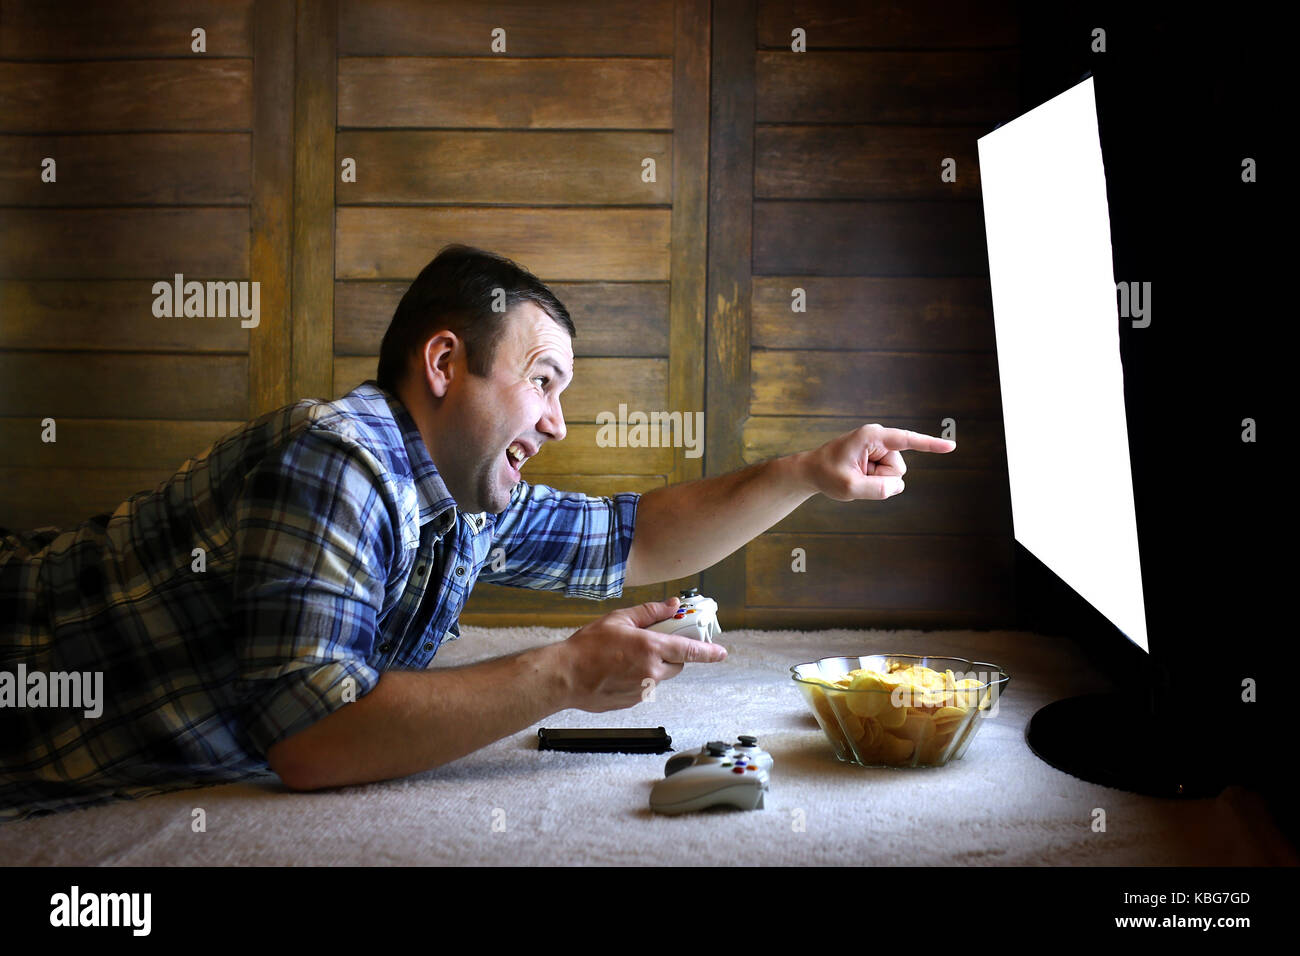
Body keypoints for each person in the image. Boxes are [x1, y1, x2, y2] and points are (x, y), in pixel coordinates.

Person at [0, 244, 955, 820]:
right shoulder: (339, 456)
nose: (559, 422)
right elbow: (313, 740)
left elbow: (635, 540)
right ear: (446, 362)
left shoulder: (463, 498)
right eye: (542, 381)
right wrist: (564, 672)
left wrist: (804, 474)